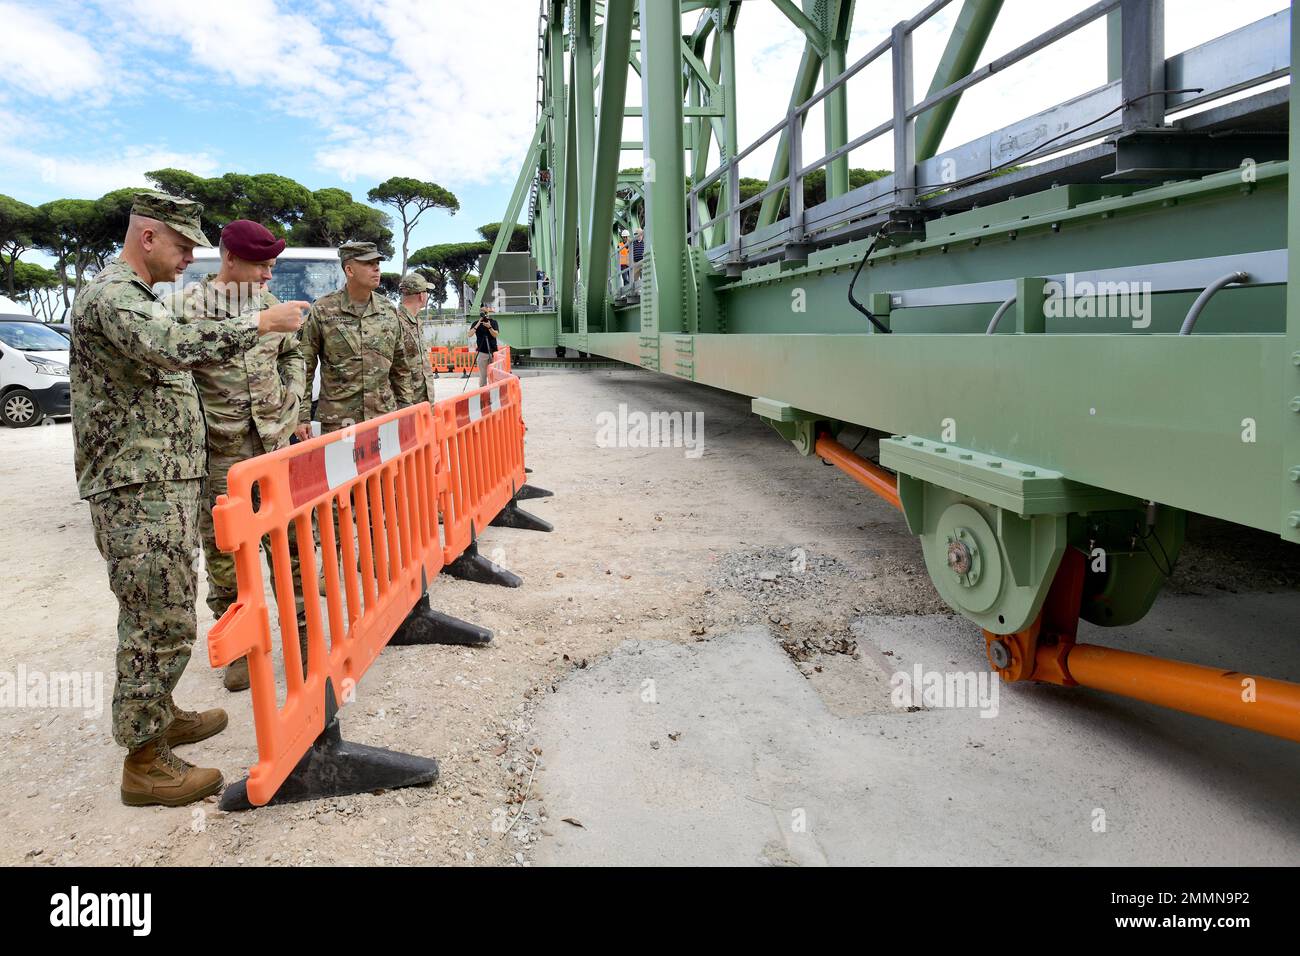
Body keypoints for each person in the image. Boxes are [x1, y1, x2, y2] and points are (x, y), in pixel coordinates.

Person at [71, 191, 307, 806]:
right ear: (147, 237)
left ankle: (159, 714)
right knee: (159, 618)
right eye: (182, 246)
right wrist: (257, 322)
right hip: (135, 488)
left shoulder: (142, 296)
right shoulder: (113, 296)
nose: (189, 257)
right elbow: (173, 347)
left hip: (161, 480)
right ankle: (144, 764)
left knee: (164, 609)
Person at [167, 219, 307, 693]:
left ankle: (303, 639)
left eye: (272, 266)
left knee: (290, 548)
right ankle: (243, 650)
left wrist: (289, 401)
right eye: (261, 266)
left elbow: (294, 354)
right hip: (218, 455)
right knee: (227, 557)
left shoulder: (271, 306)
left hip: (273, 446)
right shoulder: (187, 310)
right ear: (229, 259)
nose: (270, 276)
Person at [299, 241, 417, 434]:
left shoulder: (388, 310)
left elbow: (400, 367)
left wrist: (407, 409)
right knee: (343, 465)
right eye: (368, 263)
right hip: (340, 421)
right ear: (349, 270)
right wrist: (302, 416)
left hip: (383, 417)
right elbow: (305, 366)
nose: (376, 268)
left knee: (383, 465)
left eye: (377, 262)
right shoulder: (323, 310)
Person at [396, 272, 438, 406]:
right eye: (426, 291)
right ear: (421, 295)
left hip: (422, 401)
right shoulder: (396, 321)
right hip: (407, 404)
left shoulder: (416, 321)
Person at [473, 308, 499, 387]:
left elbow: (495, 335)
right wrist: (478, 323)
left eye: (485, 313)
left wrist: (489, 327)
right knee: (483, 375)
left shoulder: (493, 322)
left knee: (493, 374)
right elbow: (469, 334)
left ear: (488, 313)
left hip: (493, 351)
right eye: (482, 313)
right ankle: (483, 393)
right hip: (482, 352)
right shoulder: (476, 323)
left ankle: (493, 390)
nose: (484, 314)